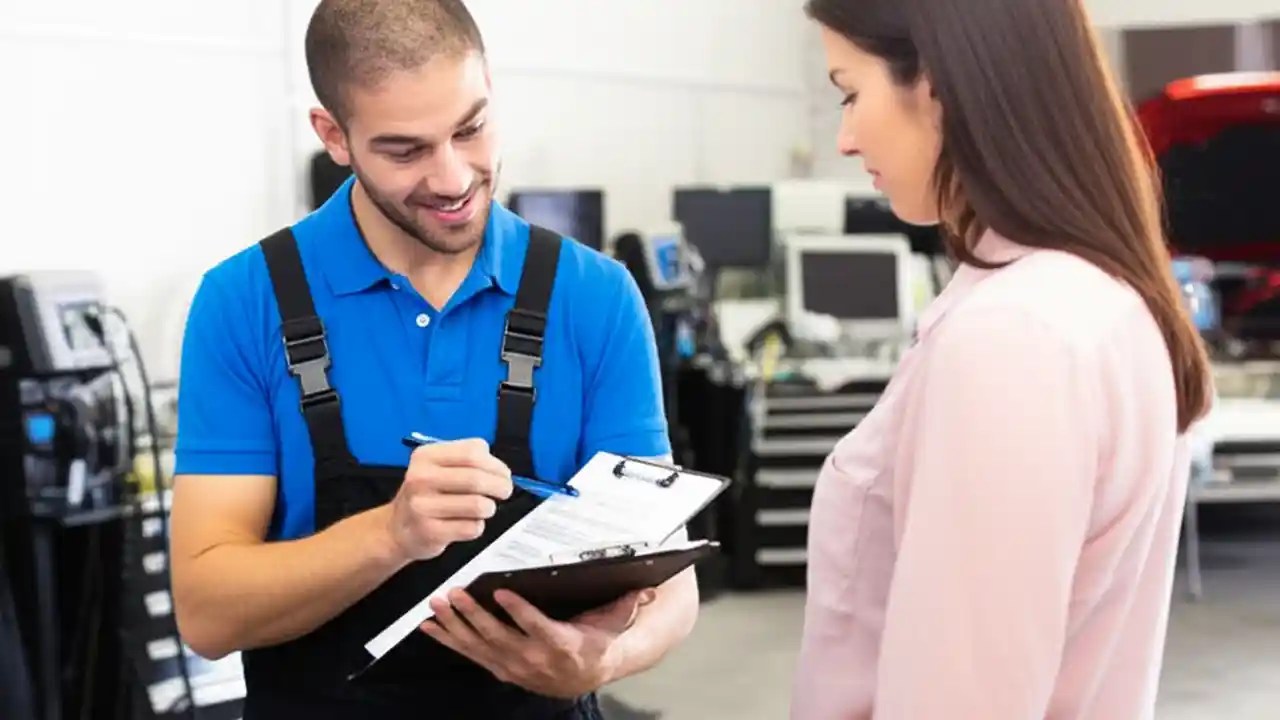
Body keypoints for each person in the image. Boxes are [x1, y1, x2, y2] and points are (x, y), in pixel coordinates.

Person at [167, 1, 698, 717]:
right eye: (405, 150)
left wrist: (605, 658)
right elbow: (207, 616)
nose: (452, 178)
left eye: (470, 129)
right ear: (334, 135)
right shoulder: (245, 302)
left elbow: (670, 588)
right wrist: (391, 535)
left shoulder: (594, 297)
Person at [791, 1, 1213, 718]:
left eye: (850, 92)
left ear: (938, 85)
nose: (845, 137)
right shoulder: (1096, 300)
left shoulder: (1012, 337)